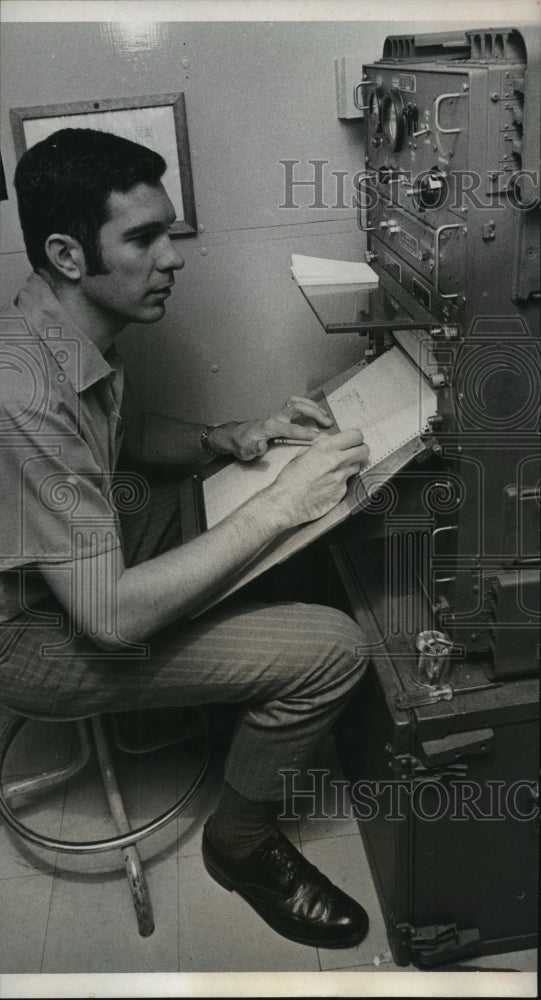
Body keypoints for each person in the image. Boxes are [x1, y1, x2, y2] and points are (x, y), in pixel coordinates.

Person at [0, 128, 371, 950]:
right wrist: (274, 504)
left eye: (167, 231)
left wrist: (227, 438)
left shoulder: (59, 327)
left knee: (257, 525)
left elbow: (121, 441)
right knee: (334, 647)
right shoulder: (19, 391)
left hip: (80, 569)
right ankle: (238, 844)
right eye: (143, 238)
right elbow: (109, 620)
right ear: (67, 252)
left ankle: (247, 689)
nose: (172, 257)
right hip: (31, 634)